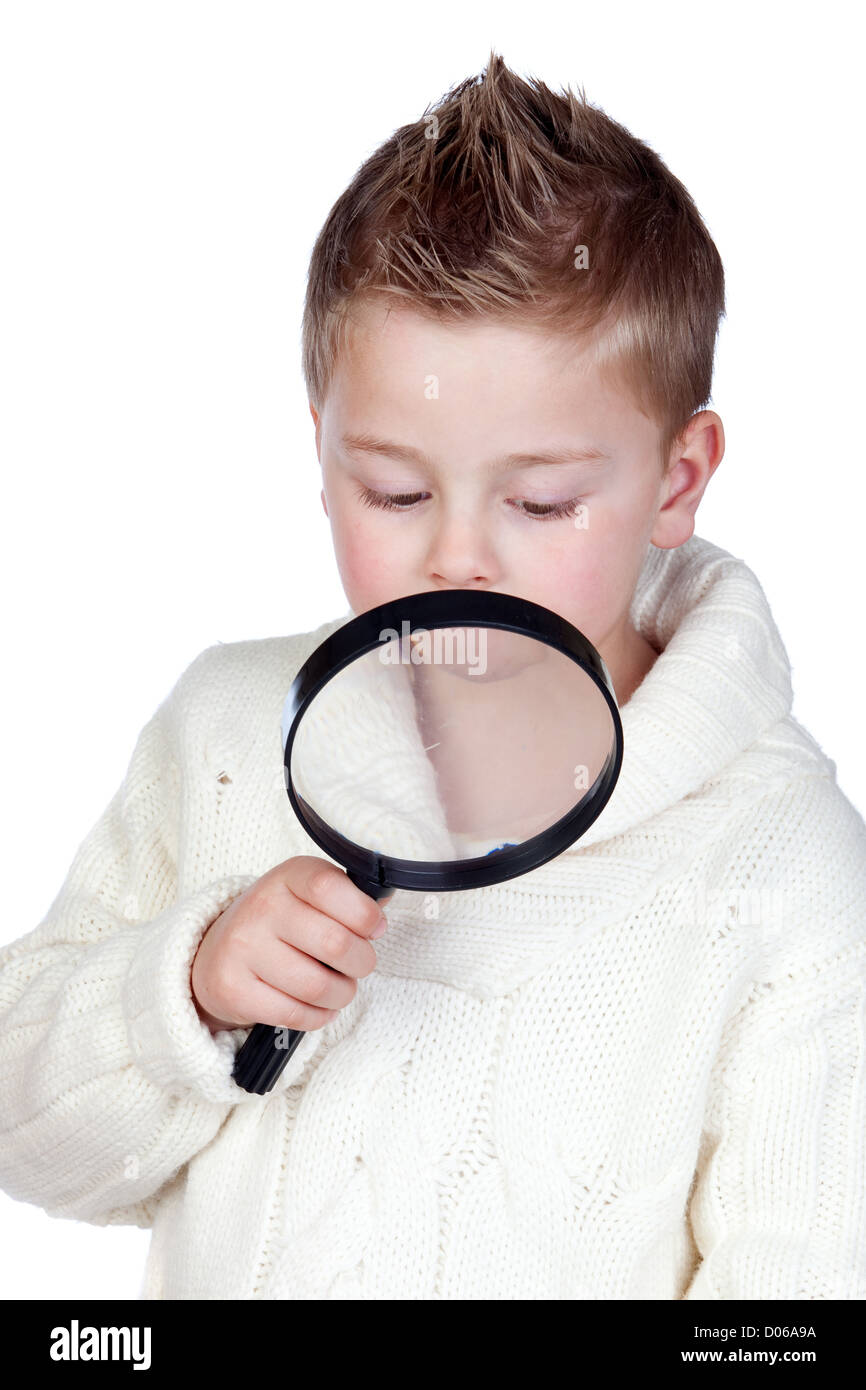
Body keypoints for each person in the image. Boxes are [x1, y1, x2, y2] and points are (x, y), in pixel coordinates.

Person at [1, 50, 864, 1301]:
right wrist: (180, 992)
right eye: (393, 489)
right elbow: (30, 1140)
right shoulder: (229, 732)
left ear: (675, 480)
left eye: (540, 499)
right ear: (322, 449)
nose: (456, 554)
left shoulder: (785, 869)